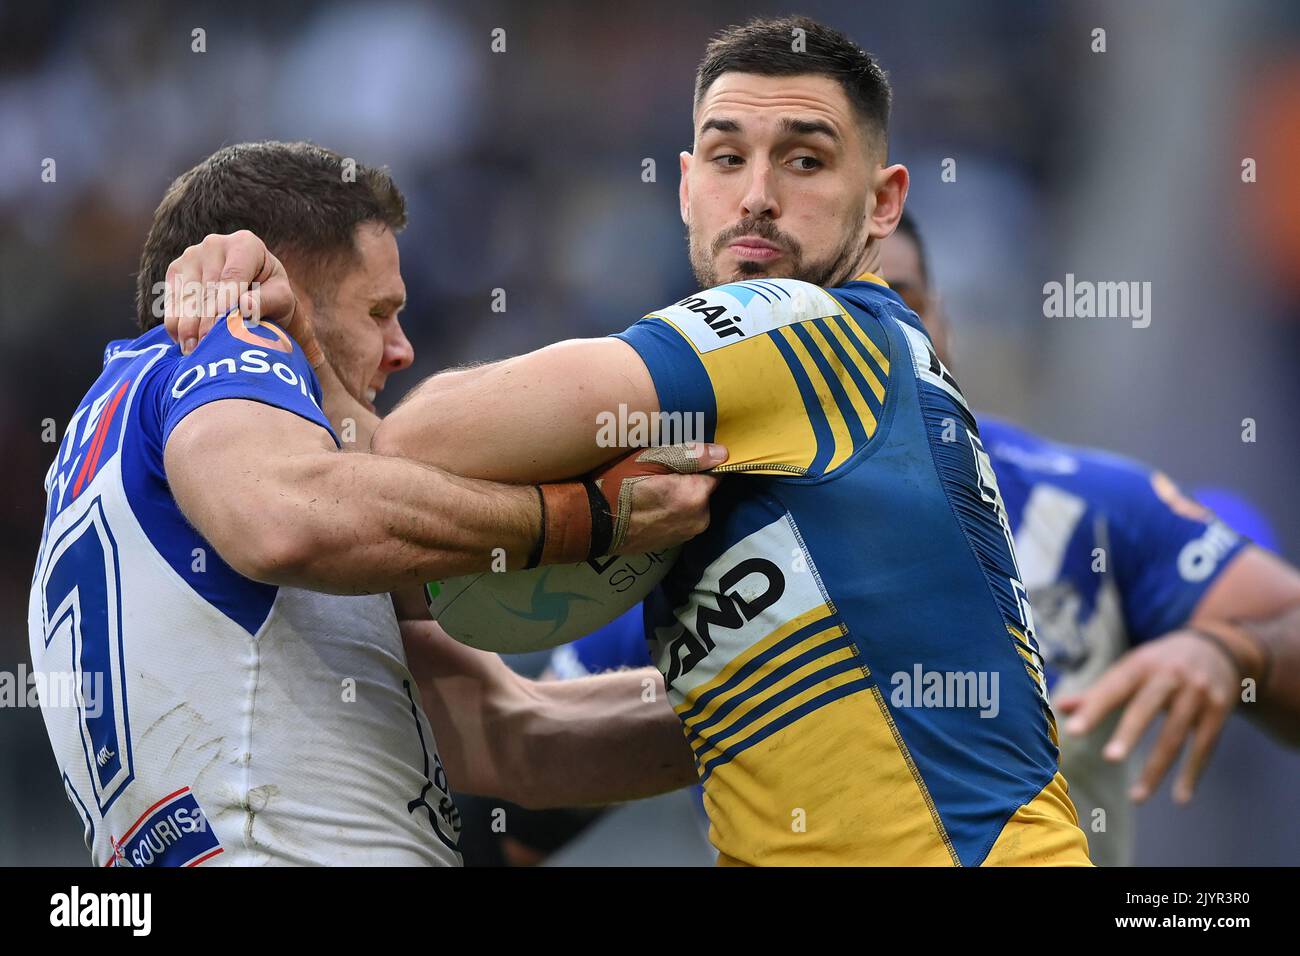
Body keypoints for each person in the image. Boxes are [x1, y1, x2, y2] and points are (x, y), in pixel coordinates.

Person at [228, 16, 1091, 865]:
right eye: (726, 158)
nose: (756, 194)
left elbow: (416, 442)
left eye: (805, 159)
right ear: (685, 186)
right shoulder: (773, 467)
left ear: (883, 205)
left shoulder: (809, 323)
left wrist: (269, 345)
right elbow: (516, 749)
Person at [28, 141, 723, 867]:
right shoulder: (218, 345)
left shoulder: (126, 454)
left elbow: (519, 739)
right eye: (380, 311)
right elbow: (284, 519)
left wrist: (776, 699)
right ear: (278, 292)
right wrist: (579, 521)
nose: (402, 349)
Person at [536, 211, 1300, 867]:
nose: (862, 340)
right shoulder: (680, 540)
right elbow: (518, 791)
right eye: (815, 320)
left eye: (890, 303)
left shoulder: (1093, 509)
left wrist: (1236, 652)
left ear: (940, 326)